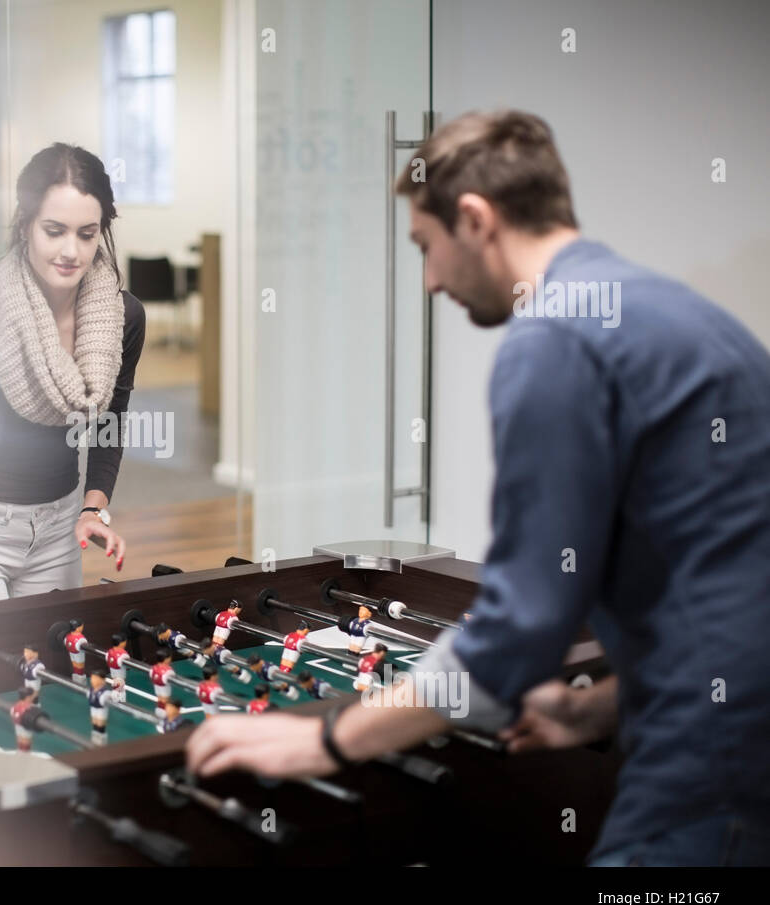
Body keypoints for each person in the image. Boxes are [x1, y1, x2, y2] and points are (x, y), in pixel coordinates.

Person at [186, 110, 770, 866]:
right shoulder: (683, 313)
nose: (428, 282)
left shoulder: (554, 339)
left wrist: (329, 740)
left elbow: (521, 625)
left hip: (712, 775)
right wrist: (596, 709)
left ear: (475, 218)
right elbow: (734, 592)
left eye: (426, 248)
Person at [0, 143, 146, 607]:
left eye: (86, 233)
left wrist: (93, 510)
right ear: (25, 226)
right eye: (54, 231)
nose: (70, 251)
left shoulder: (124, 317)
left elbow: (109, 424)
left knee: (57, 674)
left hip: (60, 531)